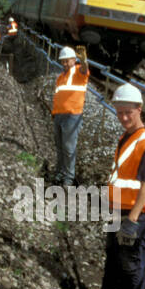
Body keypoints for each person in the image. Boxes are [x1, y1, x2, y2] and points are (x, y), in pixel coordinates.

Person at [89, 84, 145, 289]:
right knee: (113, 257)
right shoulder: (127, 136)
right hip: (117, 208)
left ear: (139, 109)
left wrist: (131, 219)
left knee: (131, 264)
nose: (123, 118)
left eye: (128, 113)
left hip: (133, 215)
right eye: (119, 113)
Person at [50, 45, 89, 186]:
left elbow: (84, 69)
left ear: (74, 60)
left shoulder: (79, 72)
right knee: (60, 146)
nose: (65, 64)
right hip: (59, 116)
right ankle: (60, 172)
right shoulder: (61, 77)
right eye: (63, 61)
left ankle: (68, 177)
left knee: (68, 148)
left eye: (68, 61)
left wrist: (84, 61)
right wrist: (54, 113)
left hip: (72, 116)